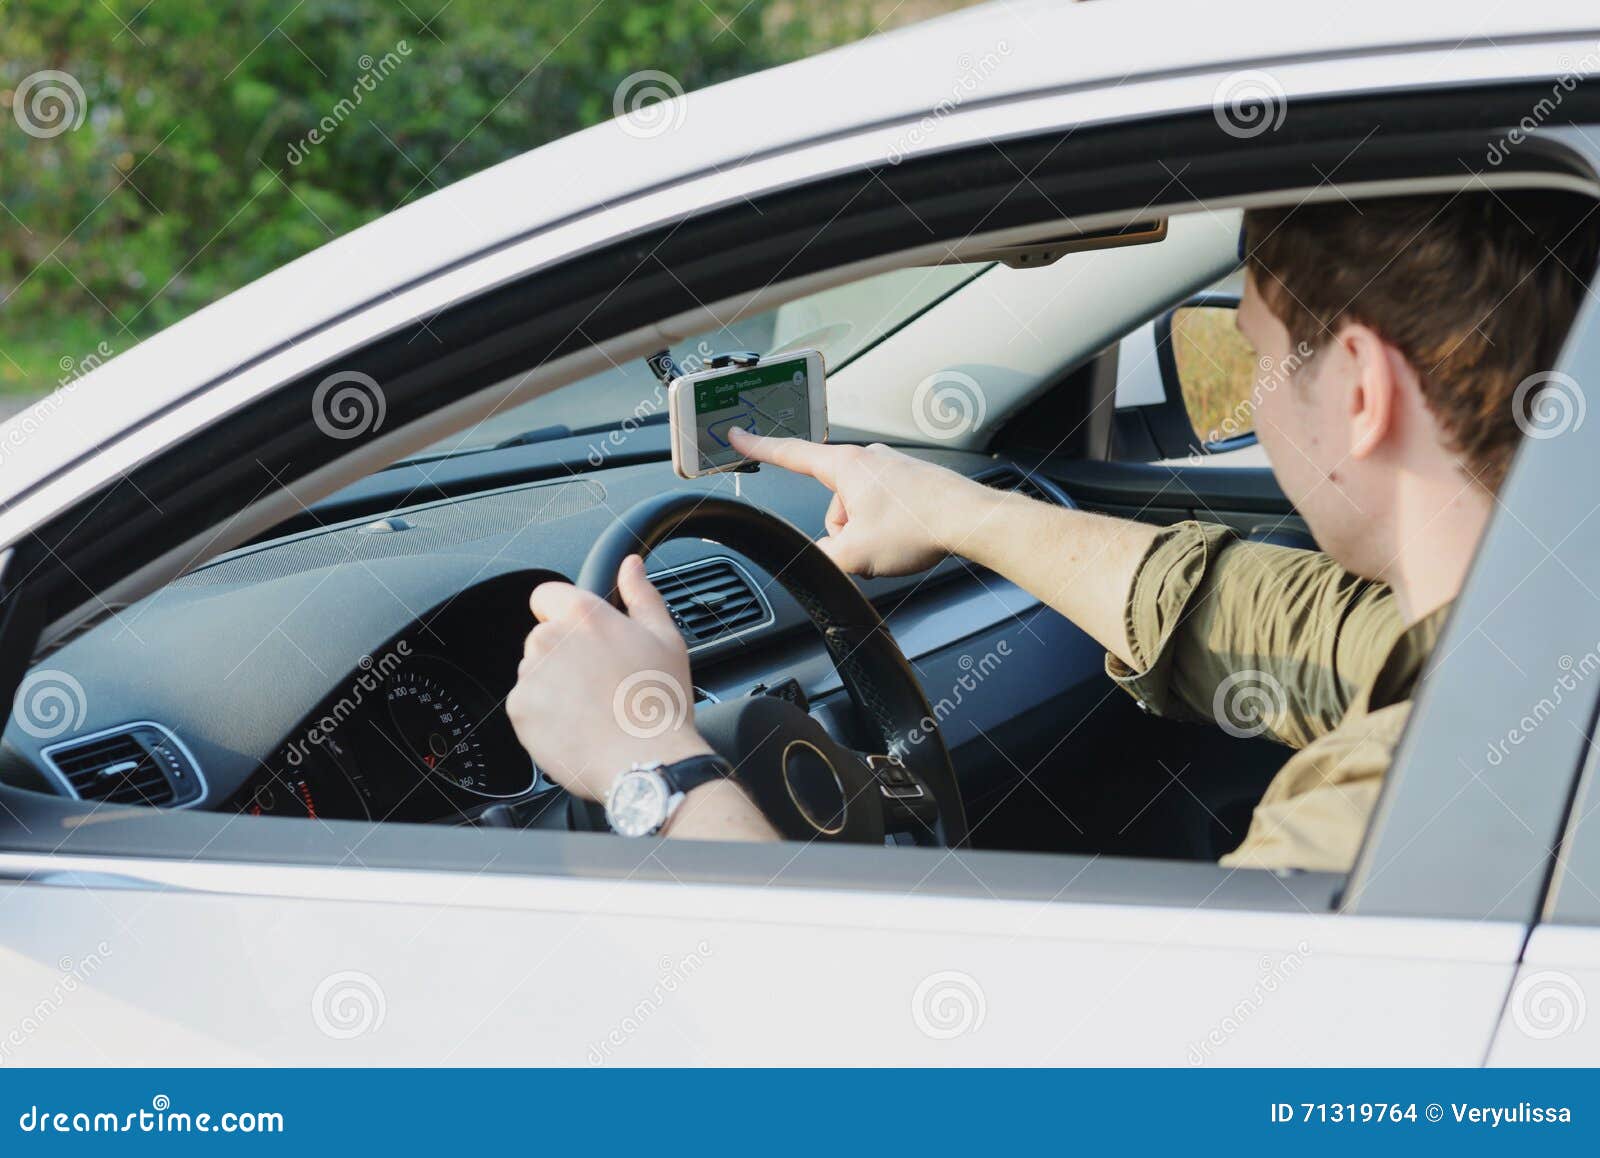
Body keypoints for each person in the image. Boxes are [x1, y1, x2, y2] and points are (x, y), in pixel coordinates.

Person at [505, 191, 1600, 869]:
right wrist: (951, 509)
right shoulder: (1524, 635)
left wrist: (650, 766)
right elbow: (1274, 621)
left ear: (1360, 388)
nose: (1259, 400)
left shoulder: (1405, 817)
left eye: (1256, 349)